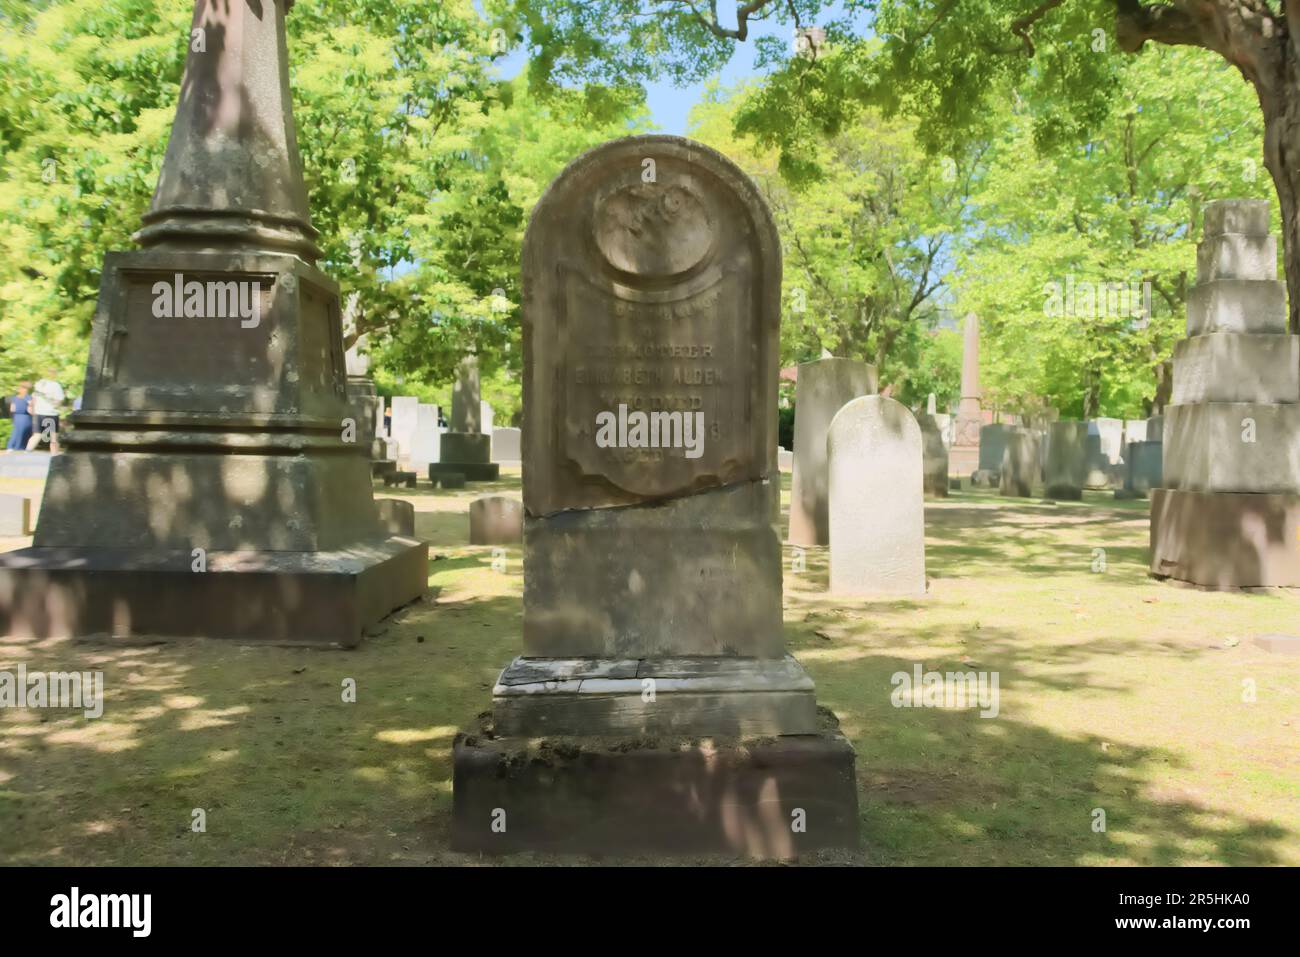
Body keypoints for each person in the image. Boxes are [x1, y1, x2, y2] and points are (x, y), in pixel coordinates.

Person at [27, 373, 65, 453]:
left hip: (39, 413)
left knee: (37, 435)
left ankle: (27, 452)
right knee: (53, 437)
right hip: (51, 413)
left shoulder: (38, 384)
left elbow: (33, 399)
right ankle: (55, 456)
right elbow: (59, 400)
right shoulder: (56, 385)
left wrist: (32, 409)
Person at [5, 382, 33, 452]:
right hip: (25, 417)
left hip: (17, 416)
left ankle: (10, 446)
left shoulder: (15, 397)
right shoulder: (28, 398)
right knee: (25, 432)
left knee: (15, 431)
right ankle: (20, 447)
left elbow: (12, 409)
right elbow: (30, 410)